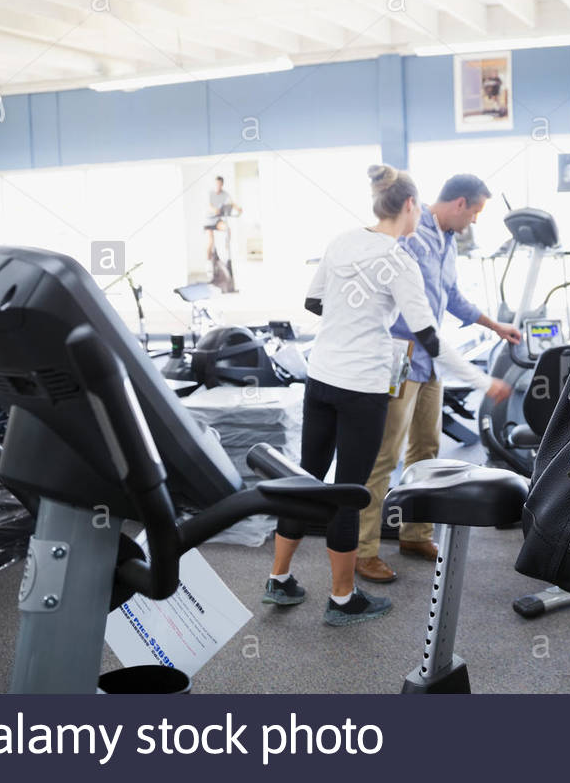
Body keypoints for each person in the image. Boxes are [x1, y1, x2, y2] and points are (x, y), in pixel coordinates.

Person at [263, 165, 498, 626]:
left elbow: (314, 302)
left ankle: (279, 579)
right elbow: (429, 339)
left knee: (308, 477)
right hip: (361, 387)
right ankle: (344, 598)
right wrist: (482, 380)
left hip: (322, 378)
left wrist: (354, 317)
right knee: (349, 492)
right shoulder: (401, 261)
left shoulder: (342, 240)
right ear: (410, 206)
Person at [354, 174, 518, 583]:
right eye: (476, 213)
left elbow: (454, 298)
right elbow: (407, 309)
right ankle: (362, 550)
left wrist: (495, 326)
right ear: (459, 203)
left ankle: (415, 534)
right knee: (385, 456)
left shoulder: (446, 242)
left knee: (426, 447)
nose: (475, 223)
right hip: (403, 356)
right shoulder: (412, 238)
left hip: (431, 360)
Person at [204, 175, 241, 259]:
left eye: (220, 184)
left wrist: (238, 209)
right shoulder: (210, 193)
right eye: (216, 184)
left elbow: (231, 203)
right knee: (211, 241)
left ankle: (227, 251)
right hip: (209, 221)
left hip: (218, 220)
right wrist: (214, 209)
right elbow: (209, 205)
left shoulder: (225, 194)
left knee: (227, 229)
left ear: (222, 185)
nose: (218, 186)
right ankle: (208, 261)